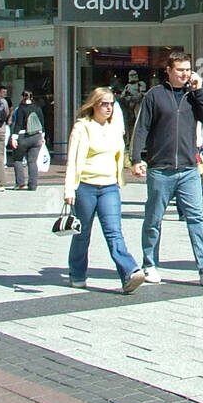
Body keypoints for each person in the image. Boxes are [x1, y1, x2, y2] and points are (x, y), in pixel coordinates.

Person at [130, 51, 203, 287]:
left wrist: (199, 90)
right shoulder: (155, 95)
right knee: (153, 218)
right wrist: (136, 158)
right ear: (169, 70)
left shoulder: (192, 95)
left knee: (197, 217)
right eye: (180, 70)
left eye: (188, 70)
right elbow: (142, 128)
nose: (185, 74)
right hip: (160, 168)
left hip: (188, 168)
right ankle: (150, 263)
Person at [65, 89, 144, 294]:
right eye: (104, 104)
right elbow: (73, 160)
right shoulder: (82, 127)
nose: (109, 108)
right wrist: (69, 189)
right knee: (82, 233)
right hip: (85, 186)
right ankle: (77, 273)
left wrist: (132, 165)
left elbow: (121, 153)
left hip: (109, 186)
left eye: (111, 104)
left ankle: (129, 272)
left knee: (114, 232)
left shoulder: (114, 127)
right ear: (94, 105)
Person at [9, 90, 46, 191]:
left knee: (17, 159)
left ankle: (20, 183)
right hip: (36, 137)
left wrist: (14, 137)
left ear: (22, 97)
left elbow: (18, 124)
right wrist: (42, 137)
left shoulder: (21, 109)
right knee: (32, 161)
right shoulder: (37, 108)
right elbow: (42, 123)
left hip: (23, 136)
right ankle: (33, 185)